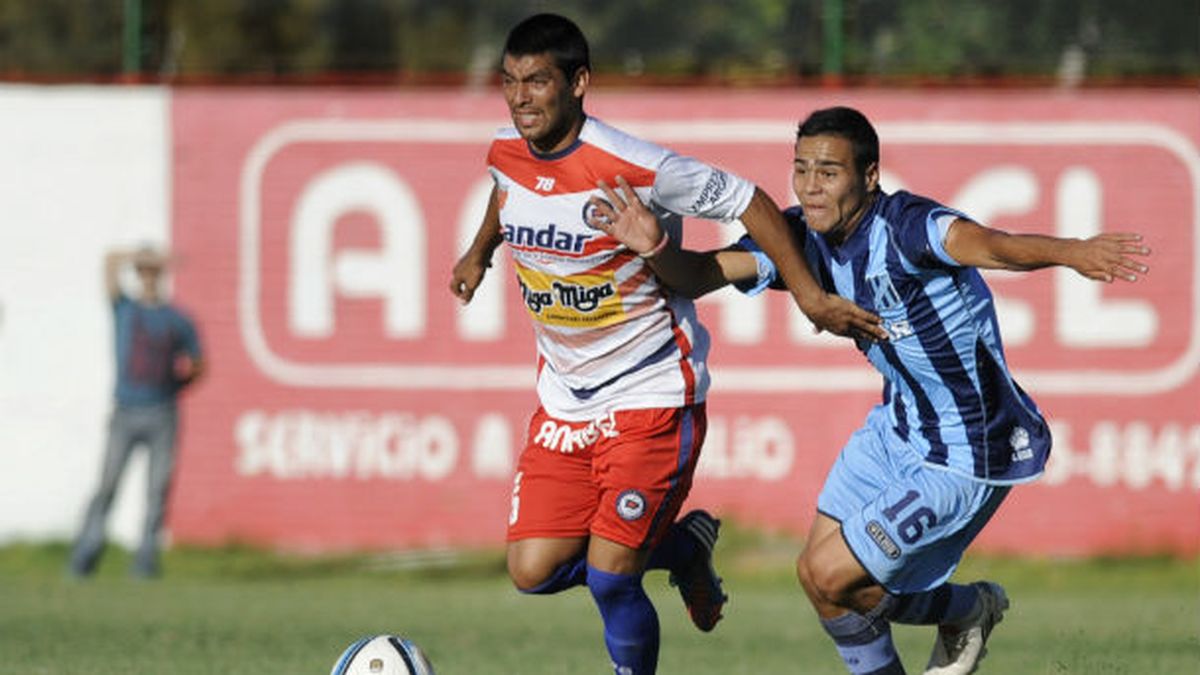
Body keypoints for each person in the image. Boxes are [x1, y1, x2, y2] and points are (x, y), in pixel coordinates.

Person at [586, 106, 1151, 674]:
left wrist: (1073, 251)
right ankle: (965, 612)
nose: (811, 186)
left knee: (836, 575)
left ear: (870, 176)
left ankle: (968, 607)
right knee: (817, 579)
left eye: (828, 172)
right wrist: (654, 247)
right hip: (899, 429)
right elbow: (702, 275)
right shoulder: (798, 238)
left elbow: (992, 245)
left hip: (969, 449)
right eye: (802, 169)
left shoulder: (906, 228)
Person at [449, 15, 883, 675]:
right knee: (532, 571)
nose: (519, 98)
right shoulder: (505, 149)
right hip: (565, 399)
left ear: (579, 83)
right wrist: (479, 252)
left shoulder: (637, 165)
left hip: (651, 392)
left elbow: (752, 202)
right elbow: (506, 191)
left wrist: (806, 293)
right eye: (509, 82)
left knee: (611, 577)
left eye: (537, 81)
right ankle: (681, 551)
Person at [68, 245, 204, 579]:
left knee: (156, 491)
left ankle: (144, 563)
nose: (148, 277)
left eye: (153, 271)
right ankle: (85, 556)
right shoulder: (125, 308)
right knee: (107, 485)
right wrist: (145, 257)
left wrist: (177, 385)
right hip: (125, 411)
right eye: (144, 271)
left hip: (162, 412)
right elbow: (109, 263)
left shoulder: (178, 319)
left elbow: (199, 364)